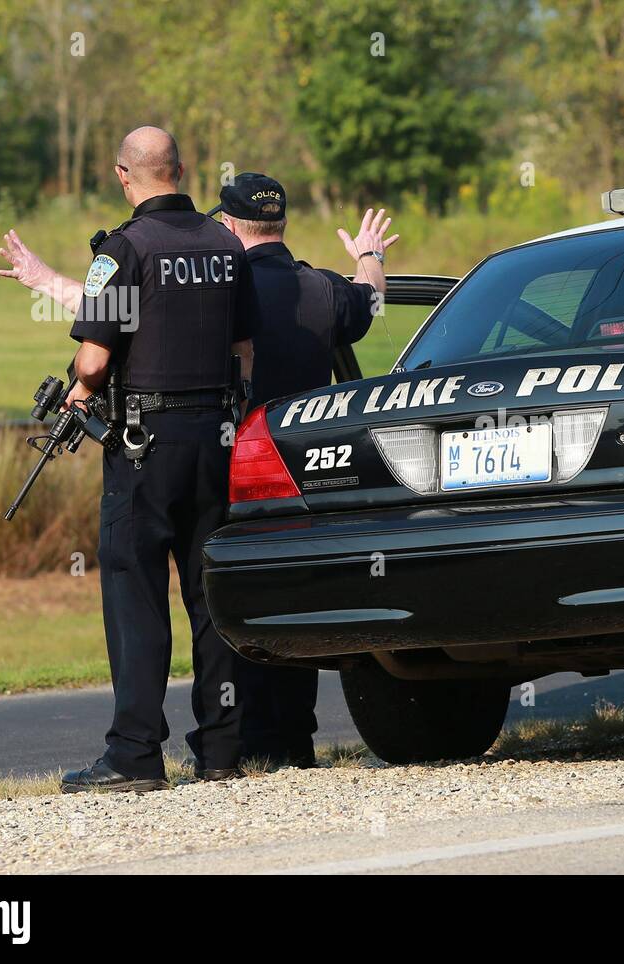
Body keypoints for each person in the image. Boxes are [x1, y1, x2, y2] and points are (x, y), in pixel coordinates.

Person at [0, 126, 257, 791]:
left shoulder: (125, 248)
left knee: (136, 594)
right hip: (218, 443)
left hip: (145, 448)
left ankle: (135, 756)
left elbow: (92, 358)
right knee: (209, 598)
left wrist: (80, 395)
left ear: (124, 175)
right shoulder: (226, 246)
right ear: (183, 168)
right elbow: (244, 350)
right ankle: (223, 751)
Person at [208, 171, 398, 766]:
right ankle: (292, 740)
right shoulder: (320, 288)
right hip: (308, 472)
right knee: (292, 599)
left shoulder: (222, 291)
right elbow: (369, 300)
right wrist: (368, 257)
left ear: (232, 226)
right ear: (280, 224)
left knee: (226, 599)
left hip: (235, 462)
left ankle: (239, 739)